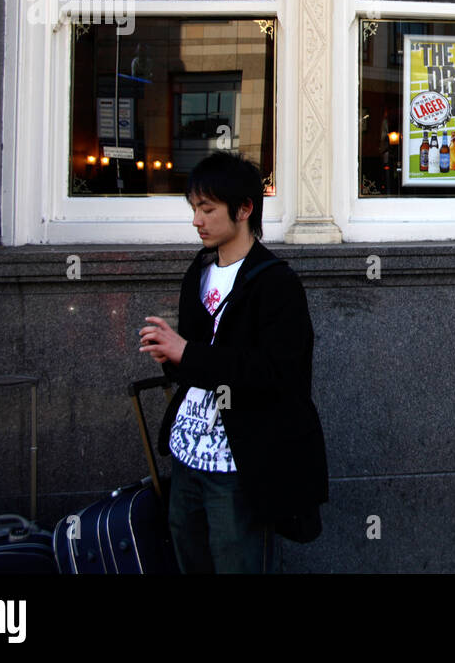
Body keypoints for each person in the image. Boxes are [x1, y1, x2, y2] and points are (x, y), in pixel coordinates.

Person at [138, 152, 327, 572]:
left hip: (239, 465)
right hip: (187, 456)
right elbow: (197, 366)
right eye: (194, 209)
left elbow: (274, 374)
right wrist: (170, 354)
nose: (196, 221)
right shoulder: (199, 272)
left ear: (244, 209)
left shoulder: (277, 283)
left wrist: (185, 352)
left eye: (207, 209)